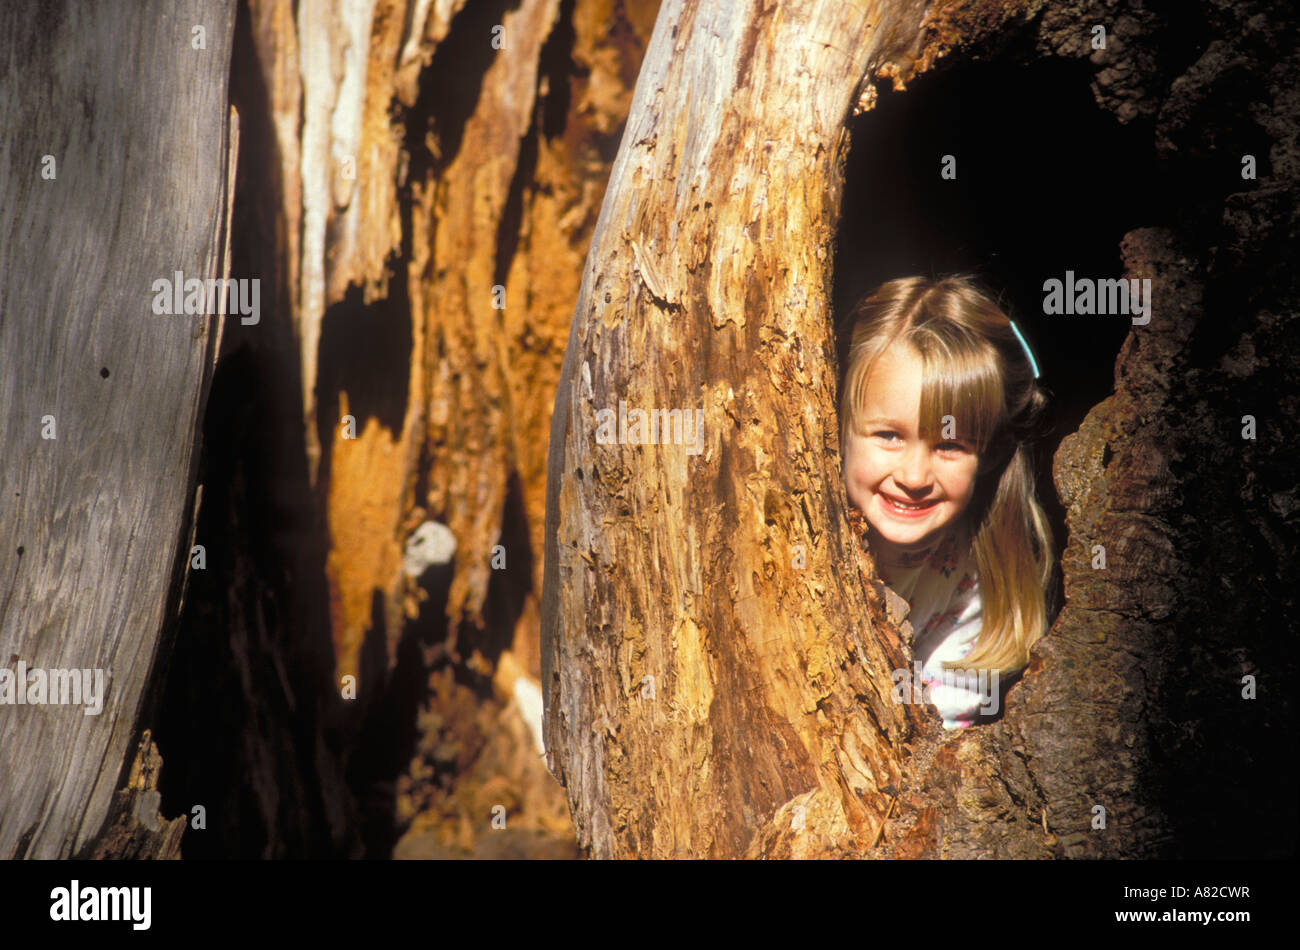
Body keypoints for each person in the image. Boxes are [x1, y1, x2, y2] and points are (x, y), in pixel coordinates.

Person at [839, 275, 1054, 728]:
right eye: (888, 435)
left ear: (991, 452)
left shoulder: (976, 575)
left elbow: (935, 735)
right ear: (834, 423)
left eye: (950, 446)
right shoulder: (795, 525)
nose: (914, 477)